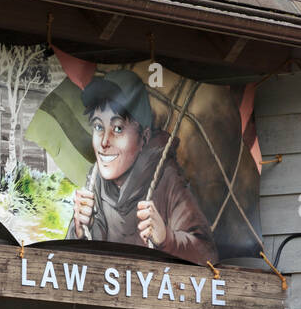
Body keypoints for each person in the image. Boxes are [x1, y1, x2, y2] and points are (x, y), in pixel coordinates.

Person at [67, 70, 218, 265]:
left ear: (144, 138)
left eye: (118, 128)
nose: (104, 141)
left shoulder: (166, 180)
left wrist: (166, 238)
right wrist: (78, 231)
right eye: (98, 127)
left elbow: (208, 254)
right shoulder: (96, 181)